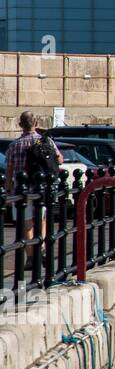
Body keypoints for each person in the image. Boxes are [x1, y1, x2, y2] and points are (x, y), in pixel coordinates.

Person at [5, 111, 63, 272]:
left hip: (22, 190)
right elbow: (60, 159)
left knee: (26, 224)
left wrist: (8, 190)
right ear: (36, 123)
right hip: (42, 187)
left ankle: (31, 257)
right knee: (42, 220)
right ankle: (41, 247)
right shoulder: (46, 141)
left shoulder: (14, 145)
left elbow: (9, 170)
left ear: (20, 125)